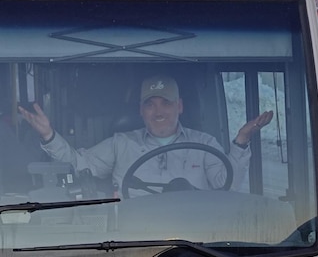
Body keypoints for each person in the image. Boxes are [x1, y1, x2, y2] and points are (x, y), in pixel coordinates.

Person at [17, 75, 273, 195]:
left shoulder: (204, 143)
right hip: (132, 242)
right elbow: (77, 164)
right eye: (150, 104)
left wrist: (241, 141)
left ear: (179, 106)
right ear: (141, 110)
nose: (158, 111)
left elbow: (227, 184)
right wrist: (49, 135)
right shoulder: (121, 144)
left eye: (166, 103)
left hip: (197, 244)